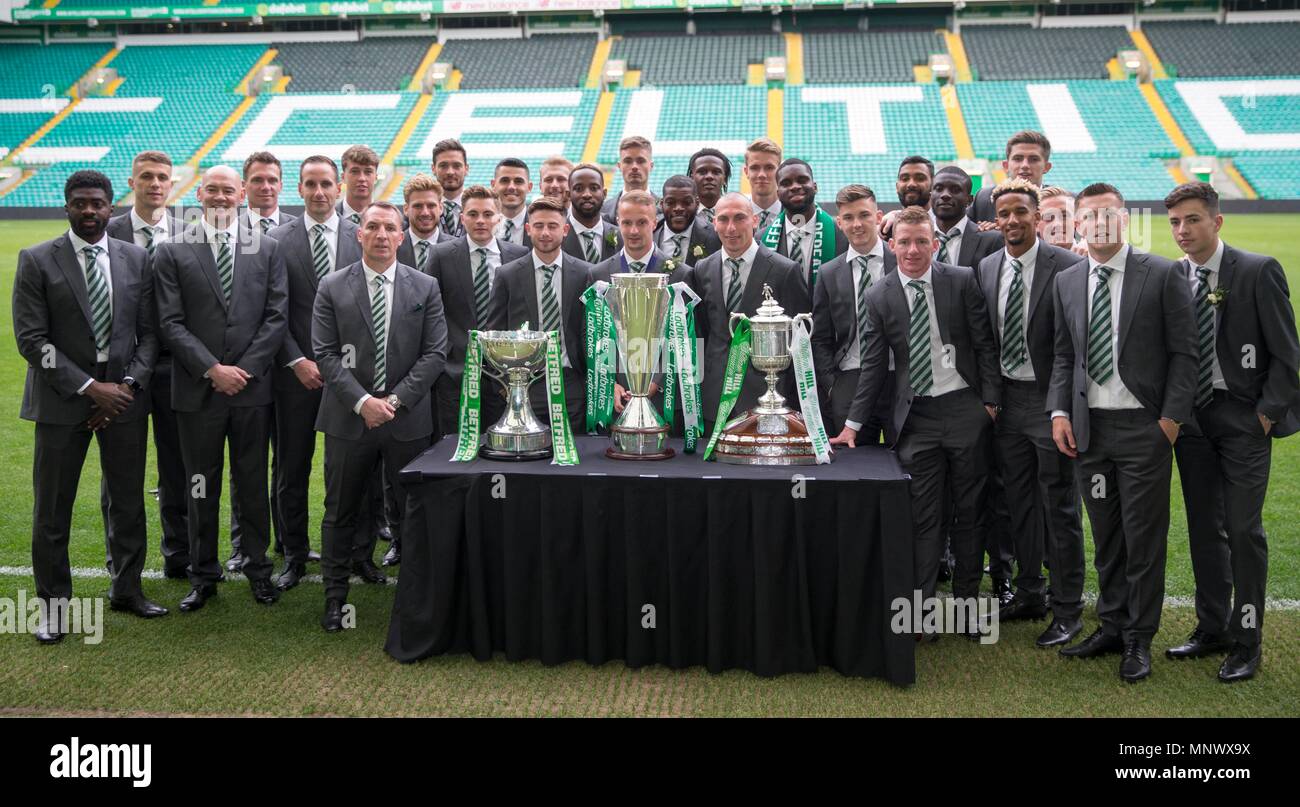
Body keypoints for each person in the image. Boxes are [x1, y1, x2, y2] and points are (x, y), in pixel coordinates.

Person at [1048, 183, 1197, 682]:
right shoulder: (1068, 281)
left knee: (1143, 536)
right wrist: (1059, 412)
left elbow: (1185, 353)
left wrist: (1170, 420)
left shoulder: (1162, 273)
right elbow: (1065, 356)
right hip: (1093, 432)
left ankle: (1139, 637)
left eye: (1109, 214)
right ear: (1078, 225)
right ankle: (1111, 624)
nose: (1100, 223)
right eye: (1090, 216)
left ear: (1124, 220)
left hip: (1143, 431)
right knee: (1107, 533)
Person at [831, 206, 1001, 640]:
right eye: (904, 242)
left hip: (965, 410)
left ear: (934, 243)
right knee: (924, 518)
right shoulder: (879, 295)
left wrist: (990, 403)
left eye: (921, 241)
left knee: (969, 512)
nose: (912, 250)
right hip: (918, 420)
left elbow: (984, 345)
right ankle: (923, 612)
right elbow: (872, 367)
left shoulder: (961, 281)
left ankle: (966, 606)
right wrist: (852, 424)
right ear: (892, 245)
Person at [14, 169, 165, 642]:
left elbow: (150, 335)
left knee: (126, 501)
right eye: (79, 203)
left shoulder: (136, 259)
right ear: (66, 206)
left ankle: (128, 589)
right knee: (52, 509)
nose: (88, 211)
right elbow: (32, 340)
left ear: (109, 205)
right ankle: (54, 608)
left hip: (123, 400)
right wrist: (87, 388)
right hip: (62, 404)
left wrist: (125, 387)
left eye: (97, 203)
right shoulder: (37, 259)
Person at [1164, 181, 1300, 682]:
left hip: (1243, 419)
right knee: (1204, 528)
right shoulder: (1174, 276)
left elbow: (1287, 354)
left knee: (1243, 530)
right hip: (1195, 420)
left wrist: (1265, 414)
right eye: (1176, 222)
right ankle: (1212, 626)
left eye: (1193, 219)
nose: (1183, 230)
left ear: (1217, 222)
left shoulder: (1258, 270)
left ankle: (1247, 639)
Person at [153, 165, 288, 612]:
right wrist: (213, 369)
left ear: (242, 193)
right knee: (199, 485)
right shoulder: (173, 251)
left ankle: (257, 570)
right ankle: (203, 574)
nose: (219, 197)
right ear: (199, 193)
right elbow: (170, 324)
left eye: (228, 190)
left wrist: (242, 371)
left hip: (251, 391)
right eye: (211, 189)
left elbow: (275, 317)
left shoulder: (268, 249)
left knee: (250, 484)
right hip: (198, 392)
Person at [313, 202, 448, 632]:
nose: (381, 235)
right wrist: (363, 403)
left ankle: (411, 600)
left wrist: (392, 402)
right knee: (341, 509)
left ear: (402, 235)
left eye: (390, 228)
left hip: (406, 419)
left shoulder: (425, 286)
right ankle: (335, 597)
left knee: (412, 509)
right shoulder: (332, 285)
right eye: (373, 226)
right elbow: (326, 355)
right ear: (359, 234)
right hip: (348, 419)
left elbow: (434, 354)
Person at [975, 179, 1087, 648]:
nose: (1012, 220)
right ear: (995, 219)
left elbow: (1072, 346)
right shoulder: (985, 267)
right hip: (1008, 404)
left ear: (1037, 217)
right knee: (1017, 503)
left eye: (1022, 211)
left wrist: (1061, 405)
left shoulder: (1067, 265)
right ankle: (1029, 592)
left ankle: (1068, 609)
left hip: (1049, 402)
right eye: (1004, 213)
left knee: (1058, 506)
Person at [264, 155, 360, 591]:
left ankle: (358, 553)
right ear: (298, 189)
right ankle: (294, 553)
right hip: (297, 373)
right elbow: (272, 311)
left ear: (339, 188)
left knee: (355, 466)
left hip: (353, 374)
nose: (319, 192)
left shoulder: (362, 236)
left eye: (326, 184)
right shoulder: (276, 241)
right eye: (310, 184)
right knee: (292, 466)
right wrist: (296, 360)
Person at [105, 150, 186, 579]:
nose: (155, 184)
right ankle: (120, 561)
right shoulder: (109, 230)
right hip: (124, 374)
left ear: (172, 185)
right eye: (147, 177)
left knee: (179, 468)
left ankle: (179, 556)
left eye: (162, 178)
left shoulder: (189, 233)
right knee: (121, 473)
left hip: (175, 369)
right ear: (132, 181)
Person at [689, 192, 809, 436]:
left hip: (767, 397)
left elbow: (801, 340)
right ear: (714, 223)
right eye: (723, 219)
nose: (731, 228)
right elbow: (703, 332)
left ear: (755, 221)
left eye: (740, 218)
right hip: (715, 397)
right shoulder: (702, 269)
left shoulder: (785, 270)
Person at [426, 185, 529, 439]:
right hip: (455, 372)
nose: (480, 220)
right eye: (472, 214)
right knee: (455, 445)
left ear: (499, 218)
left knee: (501, 442)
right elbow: (432, 312)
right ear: (462, 218)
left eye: (487, 214)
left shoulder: (519, 255)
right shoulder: (441, 255)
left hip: (504, 374)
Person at [486, 195, 594, 433]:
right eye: (539, 226)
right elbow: (493, 333)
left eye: (553, 226)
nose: (545, 232)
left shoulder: (585, 273)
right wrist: (504, 386)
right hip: (525, 382)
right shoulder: (507, 275)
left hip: (571, 381)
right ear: (528, 229)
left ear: (565, 230)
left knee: (573, 451)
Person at [810, 184, 895, 441]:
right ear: (839, 222)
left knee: (902, 461)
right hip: (849, 379)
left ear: (878, 217)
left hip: (897, 378)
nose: (857, 224)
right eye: (848, 217)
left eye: (864, 215)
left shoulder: (900, 262)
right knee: (855, 466)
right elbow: (821, 335)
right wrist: (832, 385)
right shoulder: (828, 273)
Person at [968, 130, 1053, 224]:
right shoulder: (984, 198)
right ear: (1006, 165)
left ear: (1046, 167)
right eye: (1018, 159)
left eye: (1033, 159)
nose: (1025, 165)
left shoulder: (1061, 201)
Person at [655, 175, 721, 266]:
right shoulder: (650, 233)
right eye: (670, 202)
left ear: (697, 204)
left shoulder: (715, 236)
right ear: (662, 204)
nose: (678, 208)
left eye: (686, 202)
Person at [562, 163, 620, 263]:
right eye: (579, 188)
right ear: (568, 194)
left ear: (604, 193)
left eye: (594, 188)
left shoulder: (619, 236)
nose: (587, 195)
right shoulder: (557, 236)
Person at [397, 173, 454, 273]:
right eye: (418, 206)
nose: (425, 213)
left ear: (440, 208)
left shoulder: (458, 250)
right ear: (406, 209)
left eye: (431, 205)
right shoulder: (393, 247)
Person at [601, 135, 657, 224]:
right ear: (619, 166)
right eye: (628, 161)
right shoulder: (603, 210)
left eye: (640, 161)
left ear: (651, 166)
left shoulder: (664, 210)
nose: (634, 167)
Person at [879, 155, 934, 241]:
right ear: (897, 187)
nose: (911, 184)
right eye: (905, 179)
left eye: (920, 178)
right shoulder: (887, 230)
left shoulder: (945, 226)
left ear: (933, 185)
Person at [241, 151, 296, 233]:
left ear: (280, 186)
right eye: (257, 180)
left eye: (272, 180)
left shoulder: (300, 229)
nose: (266, 187)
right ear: (244, 185)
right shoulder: (231, 228)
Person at [743, 137, 782, 231]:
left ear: (780, 171)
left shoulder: (795, 216)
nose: (762, 175)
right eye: (755, 168)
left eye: (769, 167)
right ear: (746, 172)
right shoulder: (735, 217)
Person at [432, 138, 469, 238]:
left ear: (466, 169)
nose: (450, 172)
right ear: (433, 169)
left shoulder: (481, 209)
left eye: (456, 166)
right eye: (443, 166)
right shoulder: (423, 210)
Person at [492, 157, 532, 246]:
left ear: (529, 187)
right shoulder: (481, 223)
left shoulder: (540, 226)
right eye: (505, 181)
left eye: (518, 181)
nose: (511, 187)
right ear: (493, 185)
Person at [336, 145, 380, 225]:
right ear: (343, 177)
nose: (362, 178)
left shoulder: (394, 222)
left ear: (376, 178)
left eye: (368, 172)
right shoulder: (328, 218)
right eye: (355, 172)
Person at [688, 147, 730, 225]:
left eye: (716, 172)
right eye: (702, 172)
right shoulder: (682, 215)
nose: (709, 176)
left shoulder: (737, 213)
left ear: (725, 179)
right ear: (692, 178)